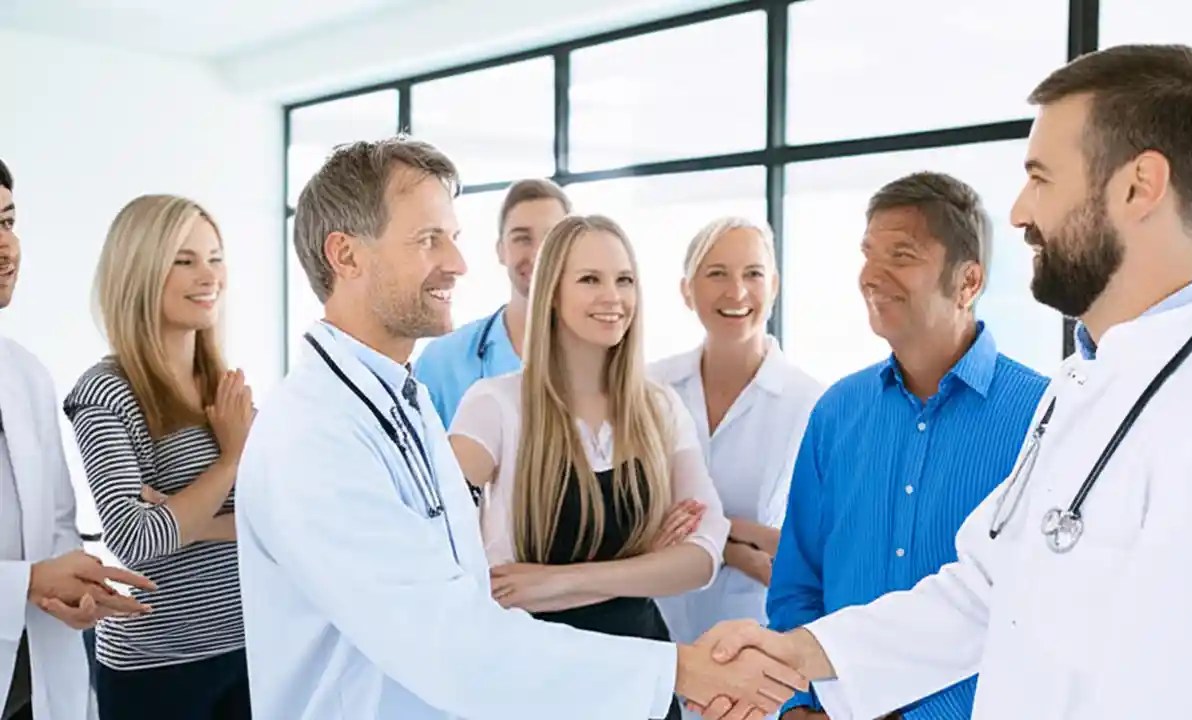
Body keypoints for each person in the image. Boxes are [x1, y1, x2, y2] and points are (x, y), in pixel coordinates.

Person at [692, 44, 1192, 720]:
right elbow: (985, 588)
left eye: (1042, 177)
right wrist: (799, 656)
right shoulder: (1083, 384)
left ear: (1138, 186)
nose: (1022, 212)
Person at [234, 137, 805, 719]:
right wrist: (680, 665)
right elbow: (453, 640)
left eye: (453, 239)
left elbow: (469, 586)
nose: (458, 264)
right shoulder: (317, 435)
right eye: (429, 239)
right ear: (346, 255)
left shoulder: (404, 405)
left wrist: (590, 575)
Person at [764, 172, 1049, 720]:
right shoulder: (836, 412)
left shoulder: (1042, 416)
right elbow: (798, 585)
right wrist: (800, 705)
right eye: (868, 253)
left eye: (902, 254)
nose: (873, 275)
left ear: (968, 282)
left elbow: (1034, 611)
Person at [448, 214, 732, 720]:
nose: (613, 297)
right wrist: (644, 565)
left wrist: (553, 583)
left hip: (641, 680)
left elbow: (702, 557)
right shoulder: (495, 406)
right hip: (535, 685)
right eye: (590, 279)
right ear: (551, 293)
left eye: (624, 280)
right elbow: (435, 541)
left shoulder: (659, 408)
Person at [63, 195, 254, 719]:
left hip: (249, 649)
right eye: (184, 259)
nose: (208, 275)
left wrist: (187, 515)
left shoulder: (224, 385)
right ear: (141, 270)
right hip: (157, 669)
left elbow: (275, 515)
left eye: (215, 257)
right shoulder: (105, 393)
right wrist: (230, 462)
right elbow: (135, 539)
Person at [0, 158, 155, 720]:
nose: (6, 247)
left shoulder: (26, 373)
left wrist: (72, 585)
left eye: (8, 222)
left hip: (33, 675)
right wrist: (30, 579)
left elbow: (58, 521)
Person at [647, 218, 824, 671]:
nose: (737, 292)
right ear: (687, 290)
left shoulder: (810, 402)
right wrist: (734, 544)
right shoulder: (649, 387)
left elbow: (807, 553)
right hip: (653, 632)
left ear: (775, 284)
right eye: (717, 274)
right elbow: (633, 518)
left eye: (753, 274)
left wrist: (706, 534)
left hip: (753, 642)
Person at [413, 178, 570, 427]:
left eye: (553, 238)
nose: (539, 253)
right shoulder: (441, 363)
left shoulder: (600, 360)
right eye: (522, 238)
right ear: (500, 250)